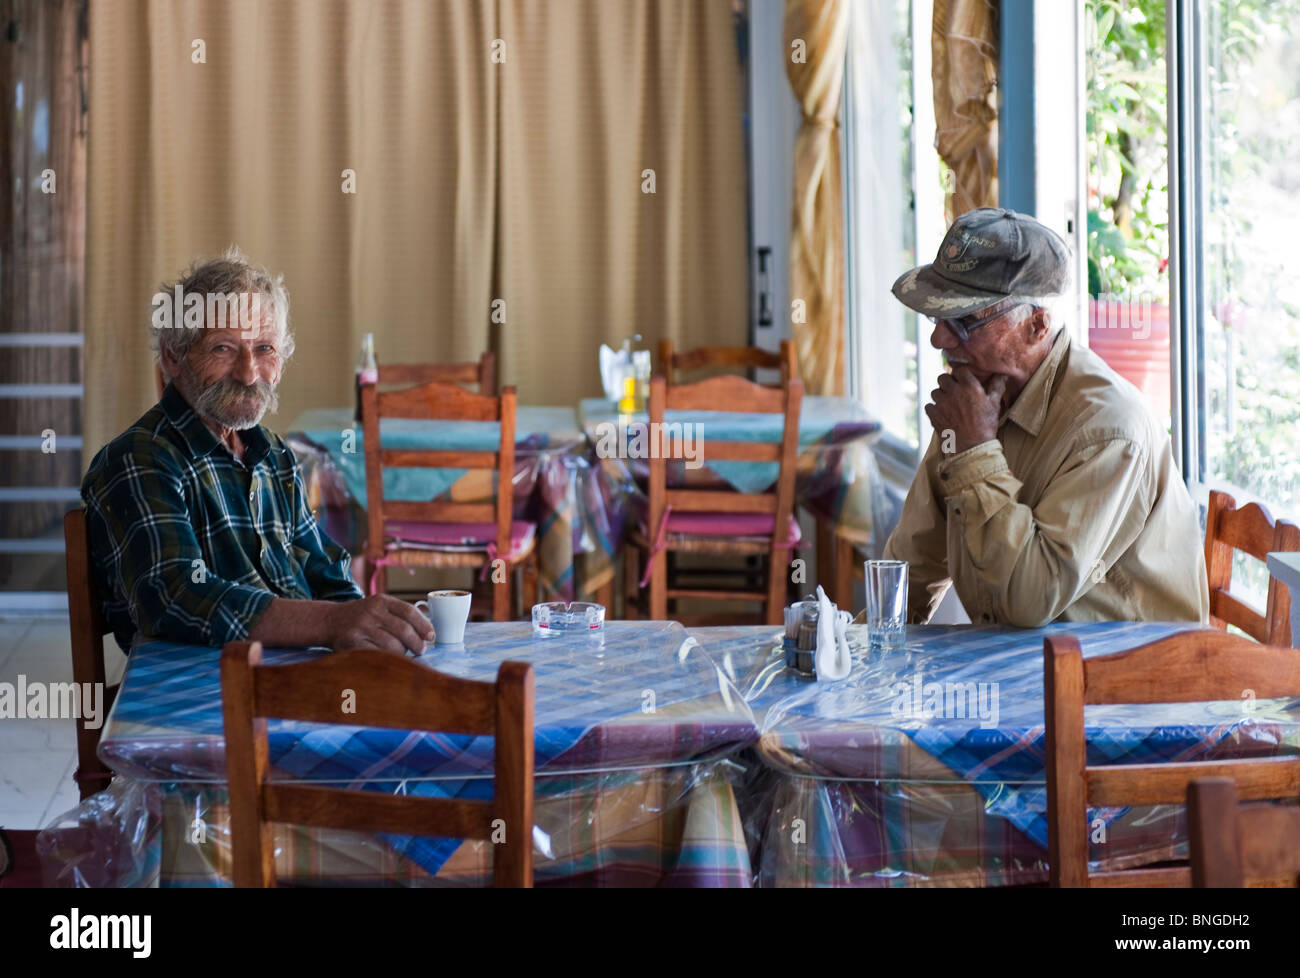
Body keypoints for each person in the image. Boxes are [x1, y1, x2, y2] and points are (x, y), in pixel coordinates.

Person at [81, 247, 433, 653]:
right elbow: (172, 597)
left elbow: (325, 573)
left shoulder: (276, 457)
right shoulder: (140, 458)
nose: (249, 373)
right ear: (172, 357)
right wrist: (333, 623)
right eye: (223, 348)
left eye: (264, 348)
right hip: (203, 697)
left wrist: (369, 628)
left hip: (298, 682)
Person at [882, 208, 1209, 627]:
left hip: (1122, 681)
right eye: (937, 317)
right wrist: (860, 651)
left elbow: (1030, 600)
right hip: (1029, 665)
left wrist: (975, 452)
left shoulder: (1108, 430)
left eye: (963, 321)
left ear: (1037, 324)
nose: (938, 339)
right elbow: (915, 561)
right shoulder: (975, 399)